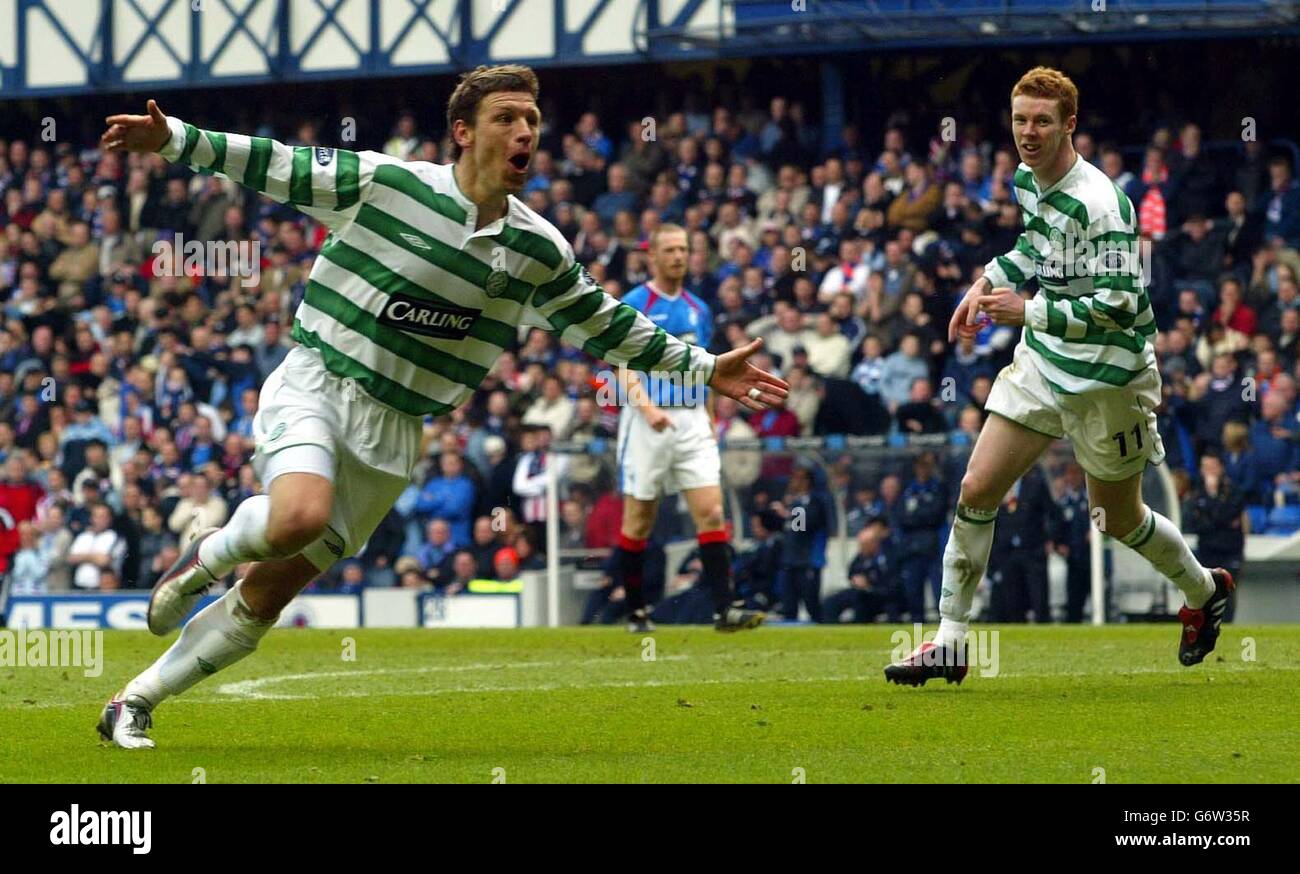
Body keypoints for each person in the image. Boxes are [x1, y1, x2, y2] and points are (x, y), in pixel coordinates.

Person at [94, 64, 789, 748]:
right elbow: (277, 164)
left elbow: (606, 323)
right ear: (462, 131)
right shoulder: (386, 184)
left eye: (532, 121)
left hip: (397, 433)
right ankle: (204, 560)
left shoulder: (538, 250)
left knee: (269, 596)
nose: (525, 132)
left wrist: (701, 367)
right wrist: (176, 139)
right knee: (297, 515)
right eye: (506, 118)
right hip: (320, 382)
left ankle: (135, 701)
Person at [887, 67, 1233, 686]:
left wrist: (1029, 308)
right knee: (976, 488)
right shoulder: (1026, 179)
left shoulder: (1102, 204)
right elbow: (1034, 247)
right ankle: (950, 639)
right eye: (1020, 119)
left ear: (1069, 124)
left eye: (1042, 121)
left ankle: (1204, 591)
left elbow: (1121, 305)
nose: (1028, 132)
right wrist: (988, 280)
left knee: (1118, 520)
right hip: (1044, 361)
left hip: (1108, 378)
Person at [610, 223, 765, 633]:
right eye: (671, 250)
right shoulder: (635, 301)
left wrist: (710, 419)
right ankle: (636, 609)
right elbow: (621, 364)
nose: (679, 256)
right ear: (653, 256)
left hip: (693, 416)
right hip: (649, 418)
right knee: (640, 518)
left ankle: (724, 609)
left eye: (684, 249)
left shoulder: (699, 308)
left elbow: (710, 367)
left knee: (712, 511)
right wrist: (646, 409)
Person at [1182, 454, 1246, 623]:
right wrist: (1217, 519)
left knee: (1228, 592)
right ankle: (1207, 627)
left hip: (1230, 550)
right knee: (1206, 591)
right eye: (1205, 468)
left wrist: (1210, 508)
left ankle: (1227, 626)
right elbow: (1193, 523)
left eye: (1212, 467)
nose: (1209, 472)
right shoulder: (1196, 494)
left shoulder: (1234, 492)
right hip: (1207, 550)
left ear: (1221, 468)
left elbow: (1228, 514)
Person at [822, 520, 893, 623]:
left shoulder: (887, 557)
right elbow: (852, 571)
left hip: (879, 593)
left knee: (860, 600)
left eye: (865, 545)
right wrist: (856, 579)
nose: (861, 548)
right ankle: (830, 626)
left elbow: (891, 582)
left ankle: (859, 624)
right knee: (831, 601)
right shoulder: (861, 556)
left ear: (874, 543)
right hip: (860, 591)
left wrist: (868, 585)